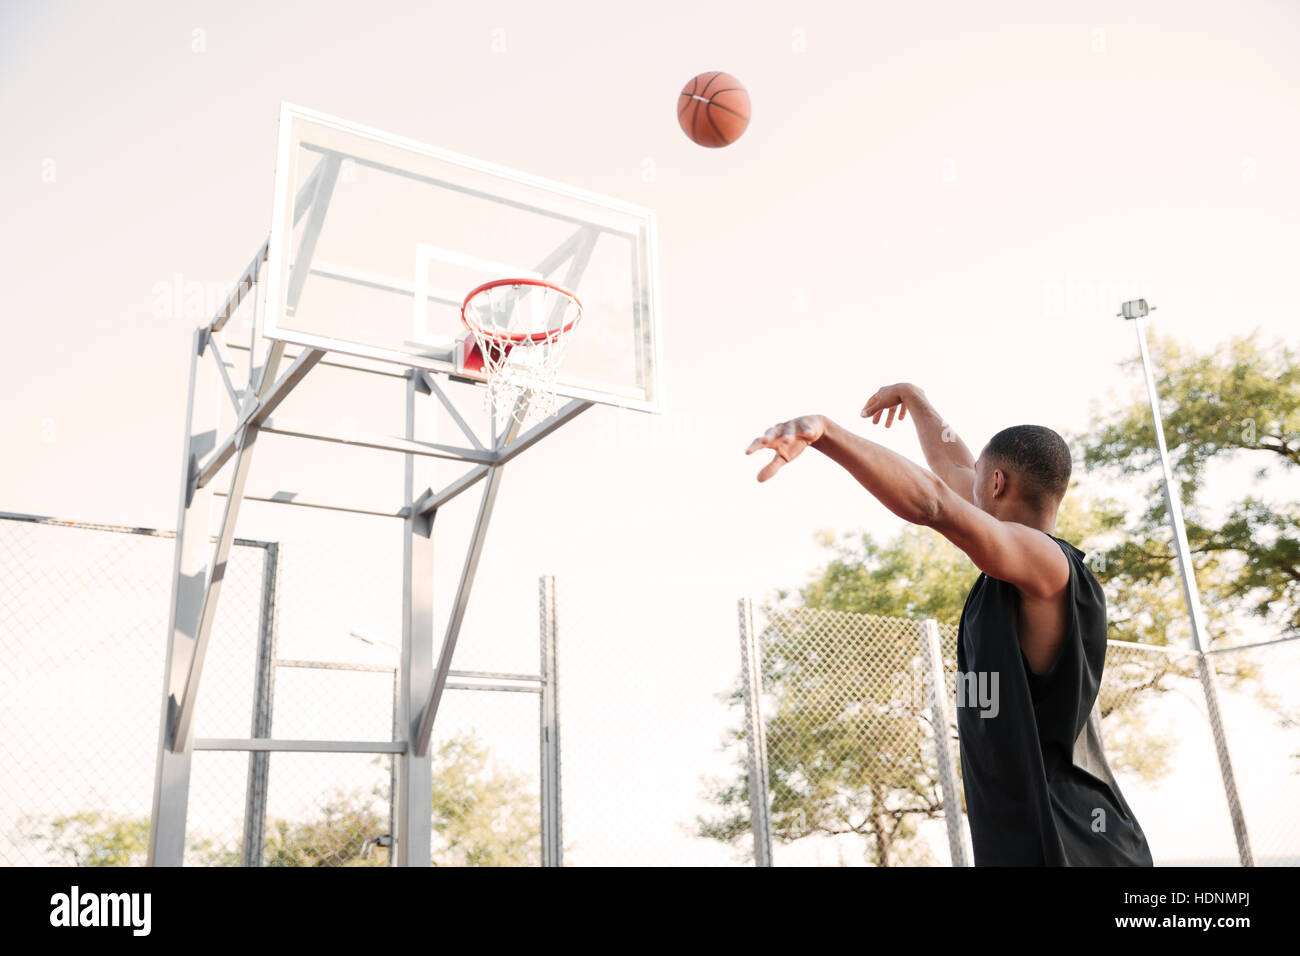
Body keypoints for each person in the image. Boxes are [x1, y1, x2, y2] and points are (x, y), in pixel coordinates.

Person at [746, 382, 1153, 866]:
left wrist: (827, 434)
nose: (968, 482)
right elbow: (954, 470)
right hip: (1047, 839)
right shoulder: (1023, 553)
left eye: (980, 479)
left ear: (998, 484)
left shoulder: (1044, 563)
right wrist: (914, 398)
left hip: (1072, 843)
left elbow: (936, 502)